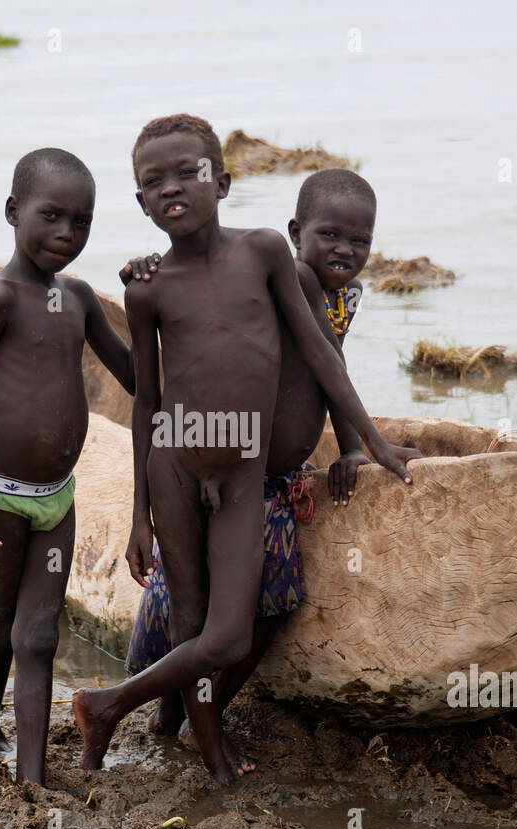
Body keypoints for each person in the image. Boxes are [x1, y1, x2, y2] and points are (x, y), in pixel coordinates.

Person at [73, 115, 419, 785]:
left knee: (226, 638)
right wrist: (140, 514)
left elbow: (322, 351)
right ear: (140, 202)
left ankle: (108, 705)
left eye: (189, 173)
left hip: (244, 471)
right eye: (154, 182)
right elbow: (147, 400)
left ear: (223, 183)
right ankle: (212, 756)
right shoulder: (145, 287)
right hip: (177, 464)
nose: (173, 188)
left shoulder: (263, 253)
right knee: (189, 627)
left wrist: (371, 442)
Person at [119, 169, 382, 772]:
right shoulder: (289, 276)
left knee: (230, 612)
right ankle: (179, 720)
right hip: (239, 474)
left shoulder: (340, 294)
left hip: (264, 475)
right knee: (233, 612)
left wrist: (352, 450)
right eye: (330, 235)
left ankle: (173, 718)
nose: (344, 250)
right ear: (295, 233)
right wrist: (147, 268)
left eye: (359, 242)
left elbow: (329, 369)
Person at [0, 148, 135, 786]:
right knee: (3, 624)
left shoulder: (78, 299)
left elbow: (135, 377)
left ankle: (31, 778)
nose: (66, 235)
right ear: (12, 212)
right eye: (51, 216)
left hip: (56, 499)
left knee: (40, 635)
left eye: (82, 223)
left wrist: (154, 303)